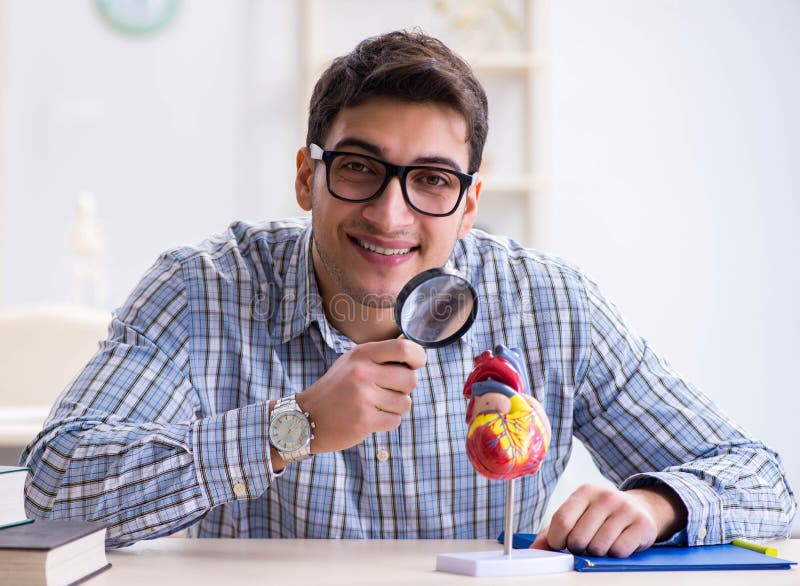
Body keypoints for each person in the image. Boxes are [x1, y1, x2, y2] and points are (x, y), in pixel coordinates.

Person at [22, 30, 795, 555]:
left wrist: (661, 504)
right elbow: (56, 494)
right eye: (360, 167)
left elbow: (762, 479)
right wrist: (292, 429)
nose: (390, 214)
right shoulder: (202, 290)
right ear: (307, 176)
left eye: (431, 180)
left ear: (469, 203)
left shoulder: (550, 306)